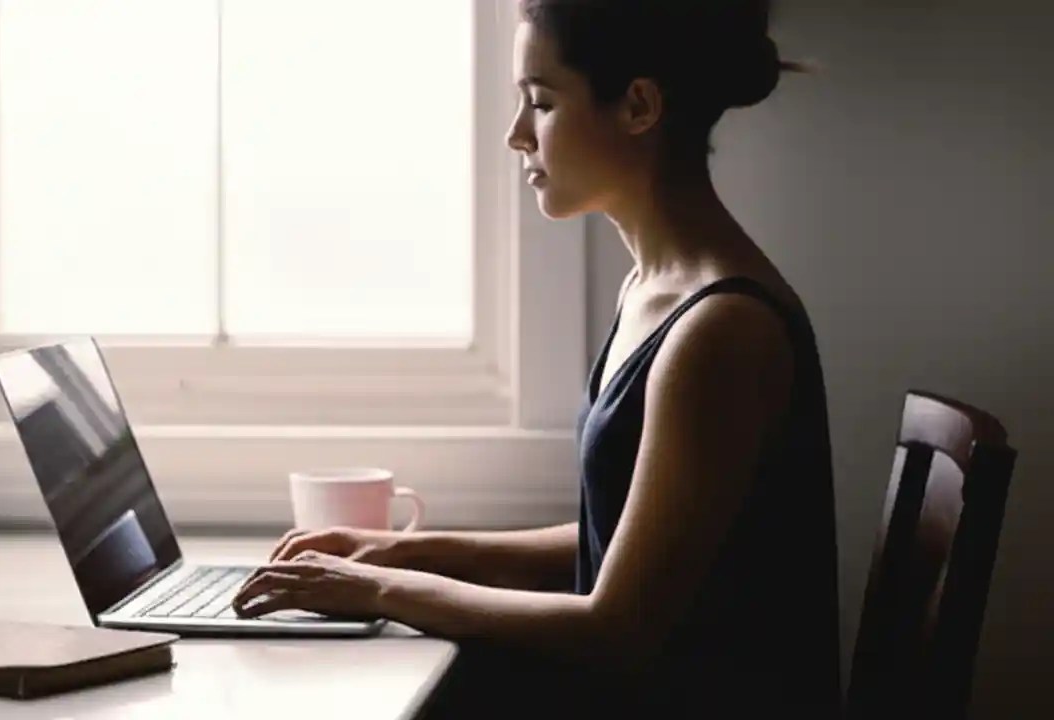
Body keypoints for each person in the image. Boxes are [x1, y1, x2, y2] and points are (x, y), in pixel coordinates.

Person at [231, 0, 842, 715]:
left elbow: (618, 628)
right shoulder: (653, 292)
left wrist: (379, 589)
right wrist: (405, 551)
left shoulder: (720, 331)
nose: (516, 134)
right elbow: (621, 543)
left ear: (639, 107)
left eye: (542, 102)